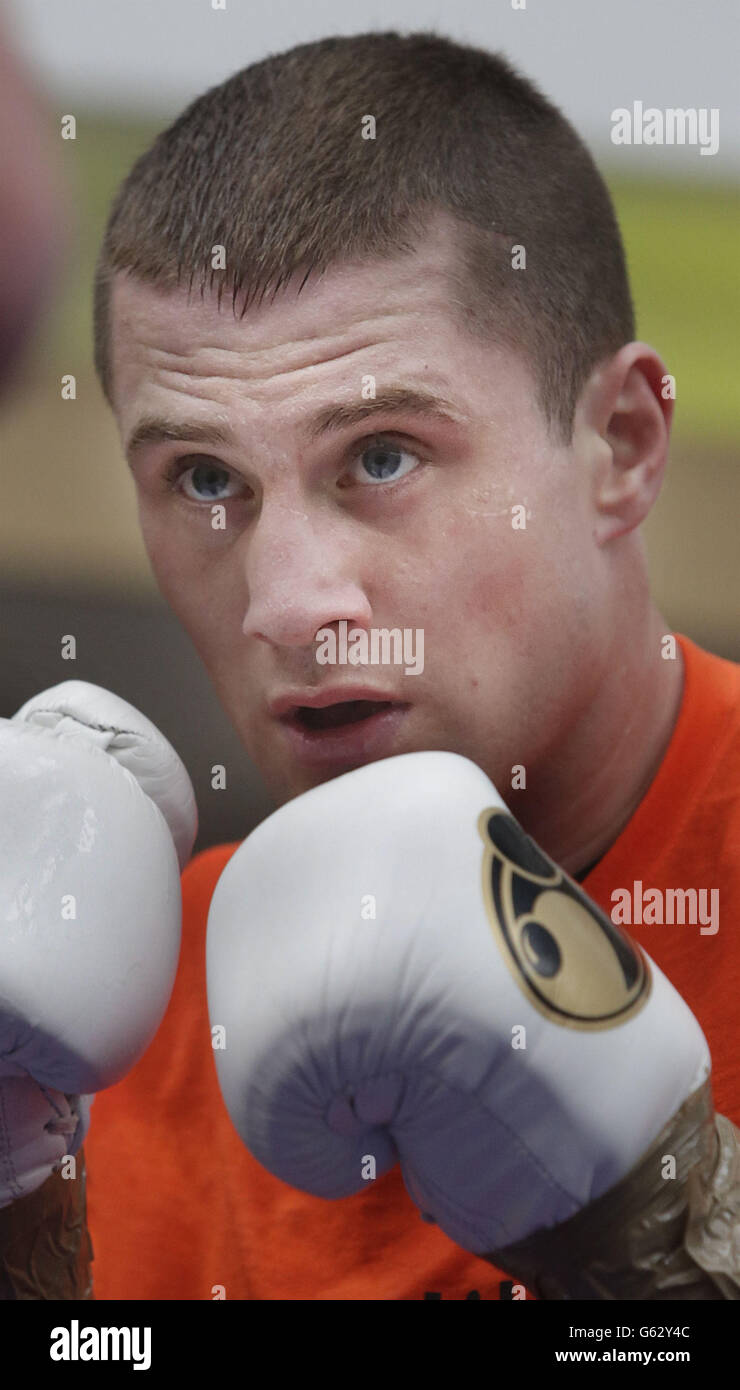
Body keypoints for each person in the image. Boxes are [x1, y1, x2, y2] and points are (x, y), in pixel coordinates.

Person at [83, 30, 739, 1300]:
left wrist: (672, 1232)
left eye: (380, 456)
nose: (286, 602)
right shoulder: (115, 1005)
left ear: (619, 445)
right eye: (204, 481)